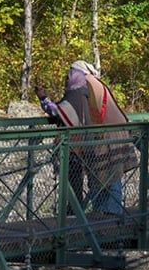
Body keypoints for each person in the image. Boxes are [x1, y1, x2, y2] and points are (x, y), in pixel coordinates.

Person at [36, 60, 137, 216]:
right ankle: (111, 220)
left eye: (70, 74)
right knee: (110, 176)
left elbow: (64, 111)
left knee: (103, 176)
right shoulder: (95, 82)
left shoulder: (82, 84)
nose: (68, 78)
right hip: (117, 134)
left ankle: (107, 220)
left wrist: (44, 99)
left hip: (105, 137)